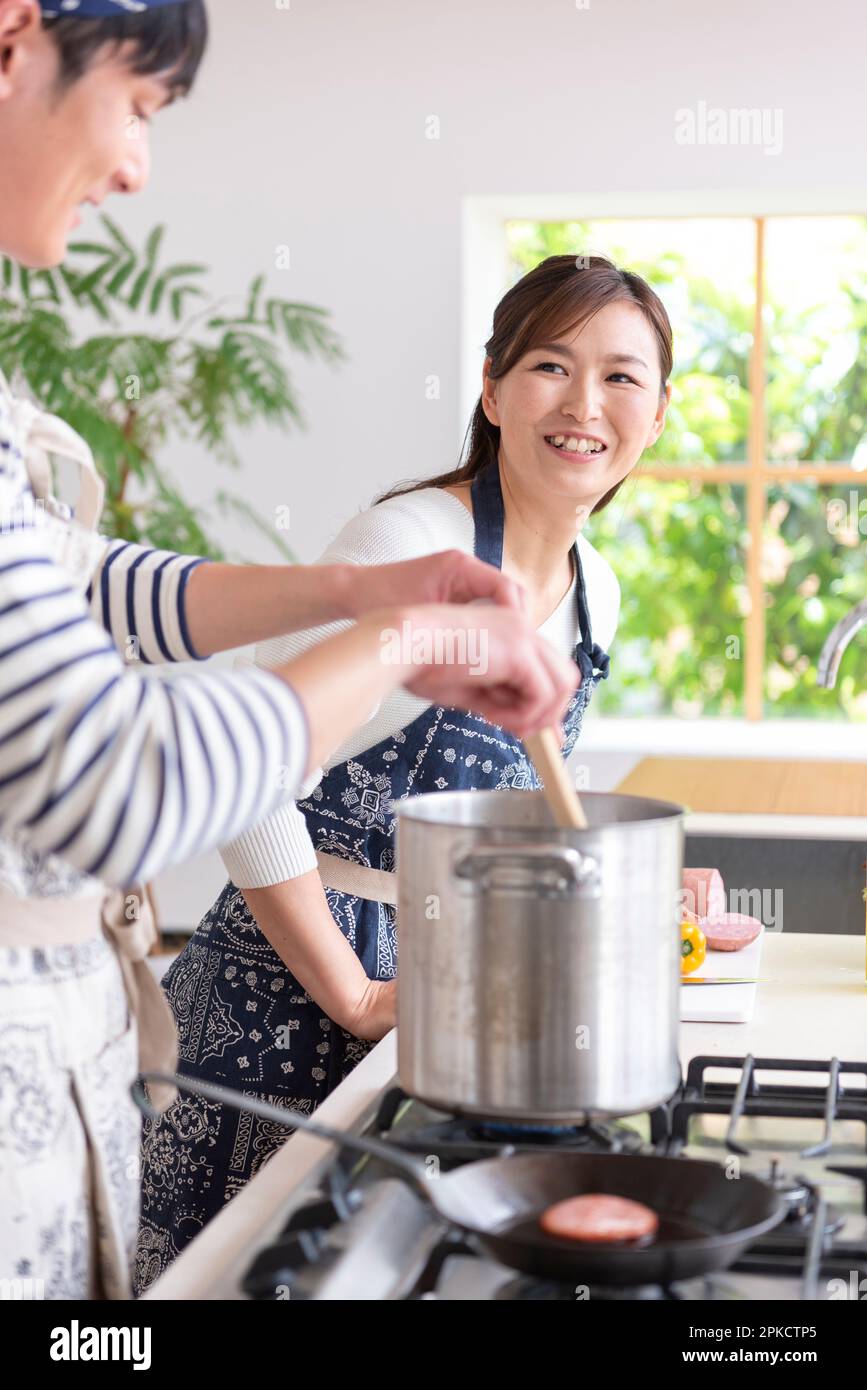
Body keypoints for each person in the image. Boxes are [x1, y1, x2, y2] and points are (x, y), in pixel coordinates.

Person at [0, 0, 578, 1299]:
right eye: (142, 104)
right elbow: (118, 787)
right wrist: (397, 632)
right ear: (15, 38)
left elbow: (84, 582)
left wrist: (351, 587)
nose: (139, 165)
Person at [135, 253, 673, 1291]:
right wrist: (347, 987)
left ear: (658, 410)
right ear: (492, 387)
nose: (584, 404)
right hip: (283, 997)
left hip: (439, 998)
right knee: (240, 1276)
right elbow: (248, 777)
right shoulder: (412, 540)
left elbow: (535, 798)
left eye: (621, 376)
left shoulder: (595, 588)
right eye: (551, 366)